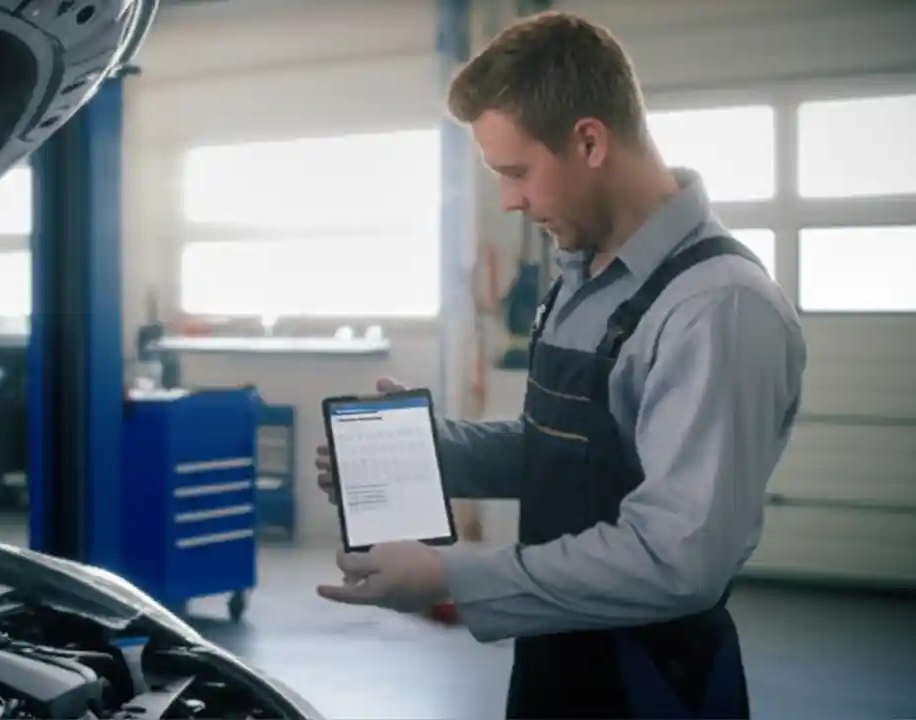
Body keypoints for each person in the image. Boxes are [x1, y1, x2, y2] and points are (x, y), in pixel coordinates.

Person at [313, 10, 806, 719]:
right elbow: (563, 449)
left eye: (516, 172)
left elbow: (678, 560)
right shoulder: (583, 272)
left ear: (588, 140)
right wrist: (425, 453)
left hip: (651, 684)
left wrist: (452, 576)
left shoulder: (717, 307)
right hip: (557, 656)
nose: (509, 200)